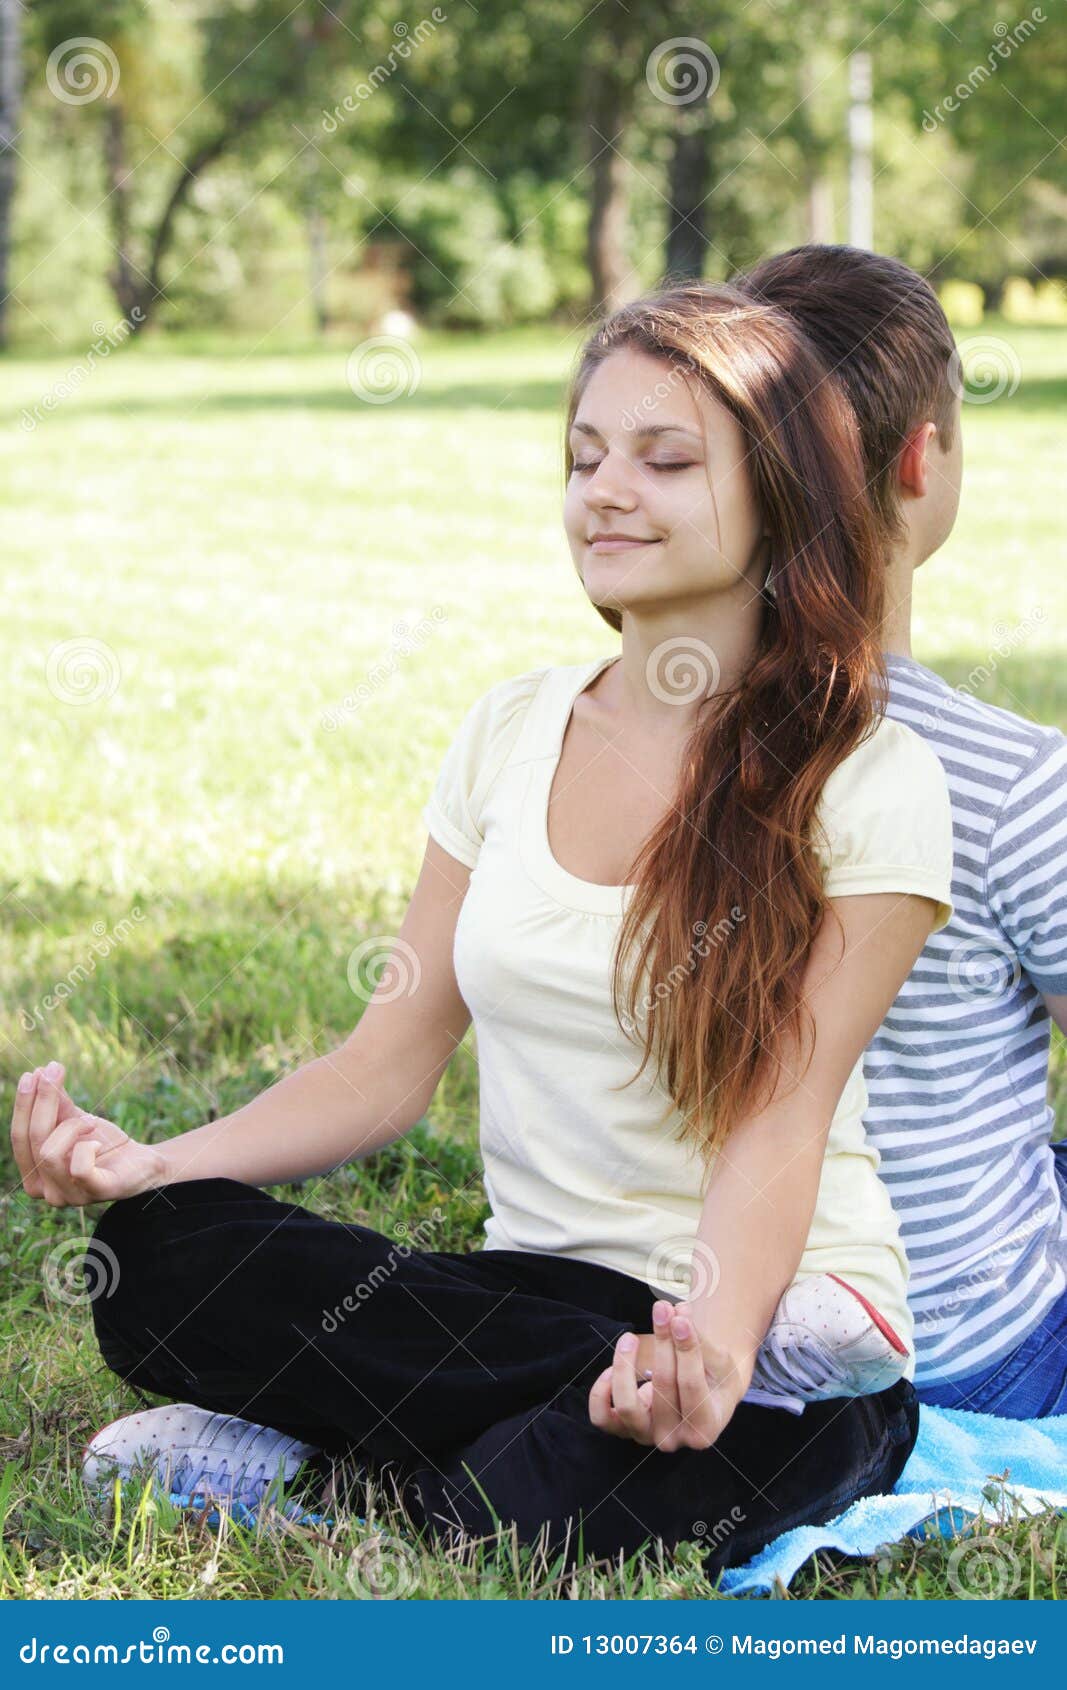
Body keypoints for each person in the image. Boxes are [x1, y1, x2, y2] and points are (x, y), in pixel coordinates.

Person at [9, 281, 954, 1569]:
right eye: (583, 456)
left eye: (663, 459)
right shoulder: (510, 731)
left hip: (763, 1315)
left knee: (515, 1512)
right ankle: (513, 1411)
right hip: (533, 1297)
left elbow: (780, 1117)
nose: (604, 491)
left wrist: (716, 1346)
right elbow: (384, 1063)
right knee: (164, 1261)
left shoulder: (865, 778)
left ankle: (349, 1461)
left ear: (781, 490)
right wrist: (155, 1163)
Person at [737, 244, 1067, 1417]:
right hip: (964, 1352)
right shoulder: (1015, 778)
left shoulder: (632, 743)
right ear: (923, 458)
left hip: (708, 1331)